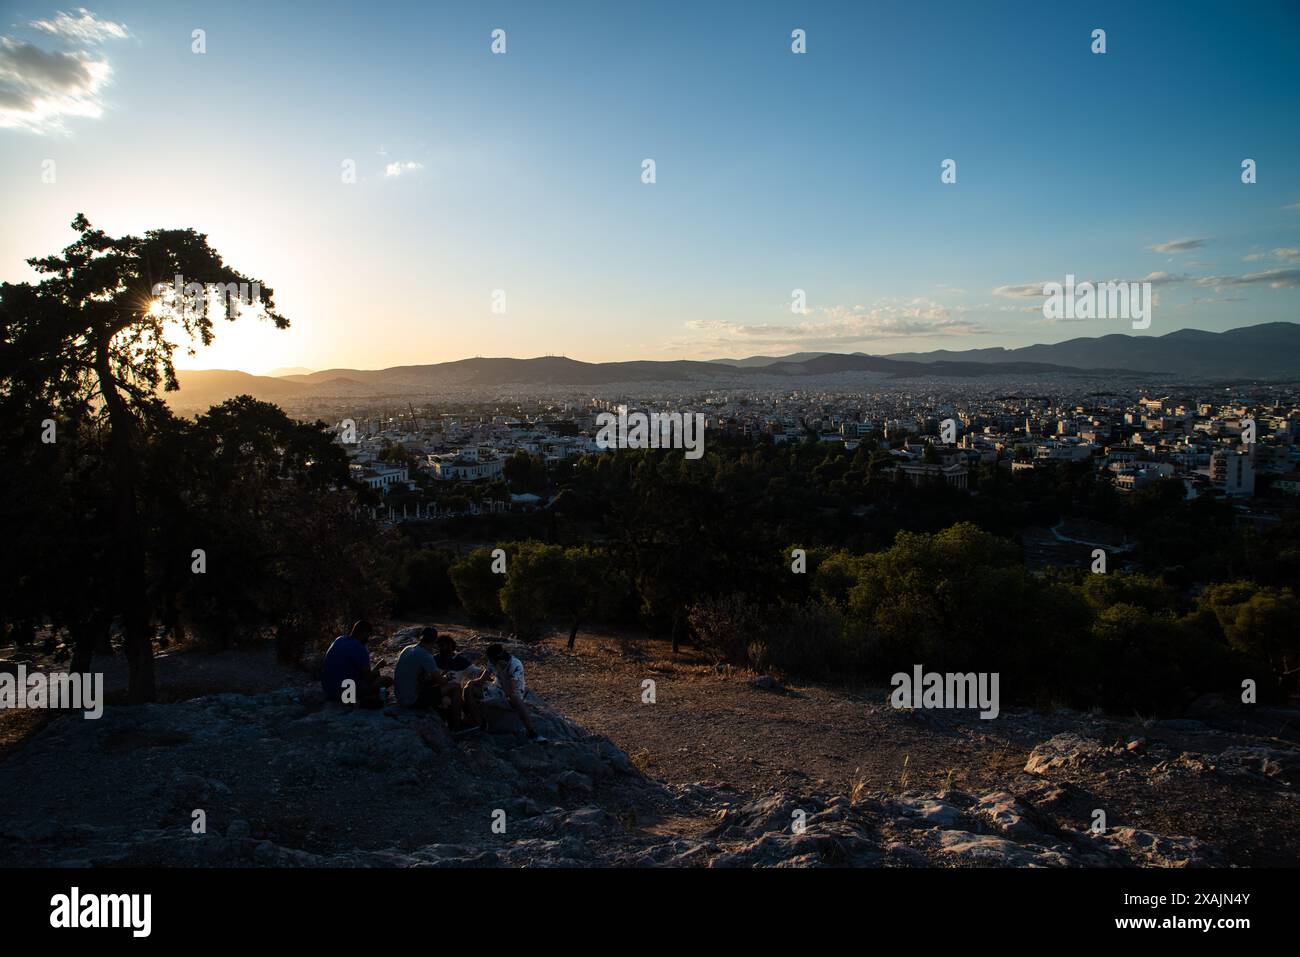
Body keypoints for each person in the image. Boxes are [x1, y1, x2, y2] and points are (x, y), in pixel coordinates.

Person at [463, 643, 546, 742]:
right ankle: (478, 721)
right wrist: (471, 683)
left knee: (514, 698)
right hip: (495, 690)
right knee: (468, 688)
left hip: (514, 692)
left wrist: (500, 671)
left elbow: (509, 692)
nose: (491, 662)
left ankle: (531, 732)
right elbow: (482, 680)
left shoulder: (516, 665)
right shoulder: (491, 661)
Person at [395, 626, 463, 728]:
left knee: (435, 690)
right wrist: (446, 677)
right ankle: (457, 726)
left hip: (400, 697)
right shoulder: (425, 655)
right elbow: (442, 682)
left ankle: (445, 718)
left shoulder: (407, 649)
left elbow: (420, 677)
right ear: (434, 641)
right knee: (455, 686)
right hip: (412, 700)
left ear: (421, 638)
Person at [321, 620, 392, 708]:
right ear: (365, 633)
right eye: (368, 635)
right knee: (387, 680)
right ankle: (362, 699)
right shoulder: (360, 647)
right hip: (344, 692)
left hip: (327, 689)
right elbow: (368, 678)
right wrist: (378, 666)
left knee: (375, 676)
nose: (368, 638)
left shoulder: (339, 639)